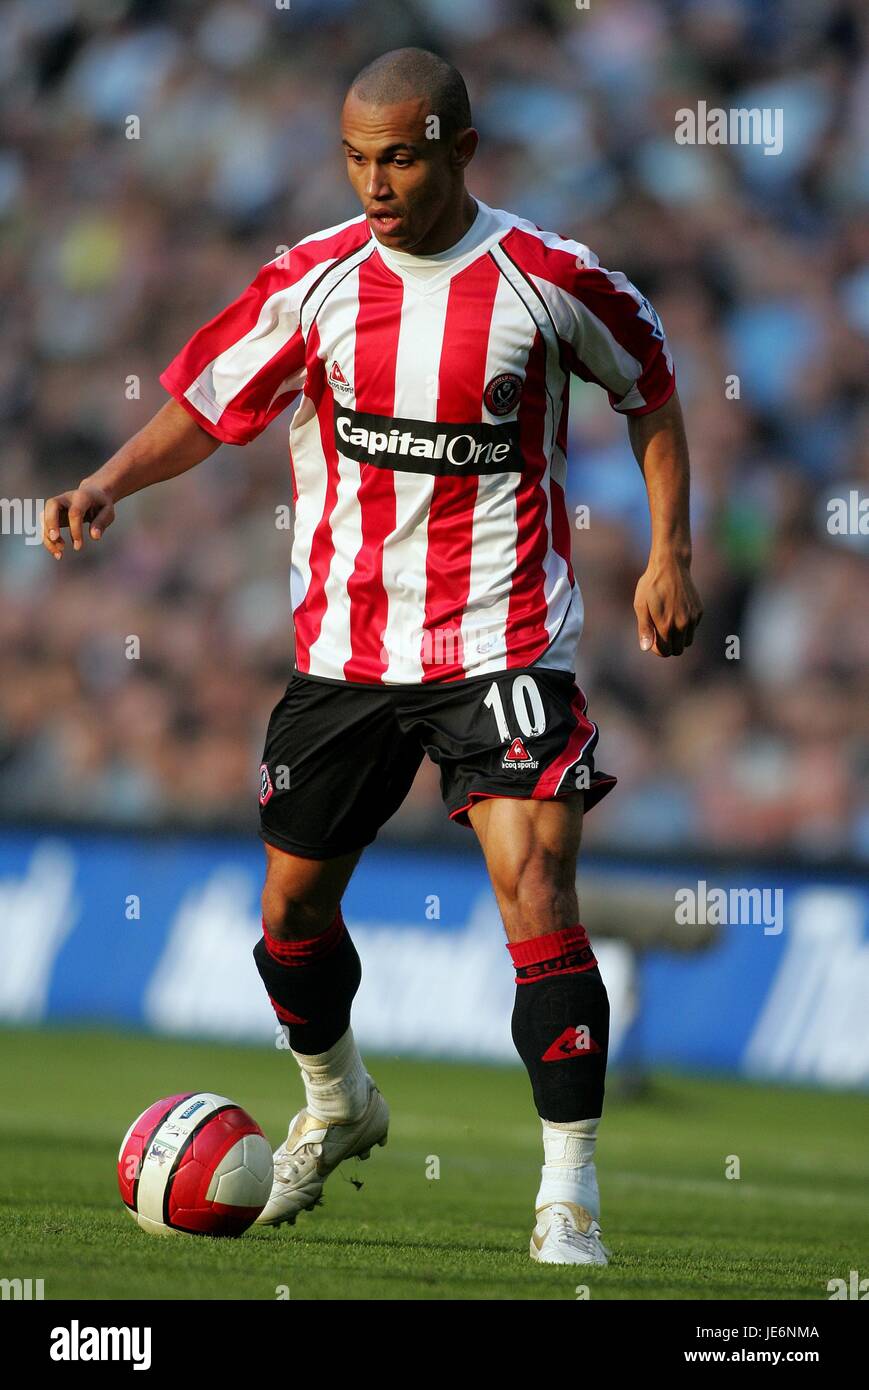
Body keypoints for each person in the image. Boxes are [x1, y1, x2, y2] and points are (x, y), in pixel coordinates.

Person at [42, 46, 702, 1265]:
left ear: (458, 148)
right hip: (346, 653)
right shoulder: (313, 281)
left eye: (397, 156)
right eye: (354, 158)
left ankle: (569, 1196)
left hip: (504, 642)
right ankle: (339, 1102)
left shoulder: (546, 280)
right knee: (289, 914)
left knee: (535, 888)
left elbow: (650, 386)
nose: (374, 182)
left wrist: (667, 548)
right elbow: (205, 402)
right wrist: (105, 483)